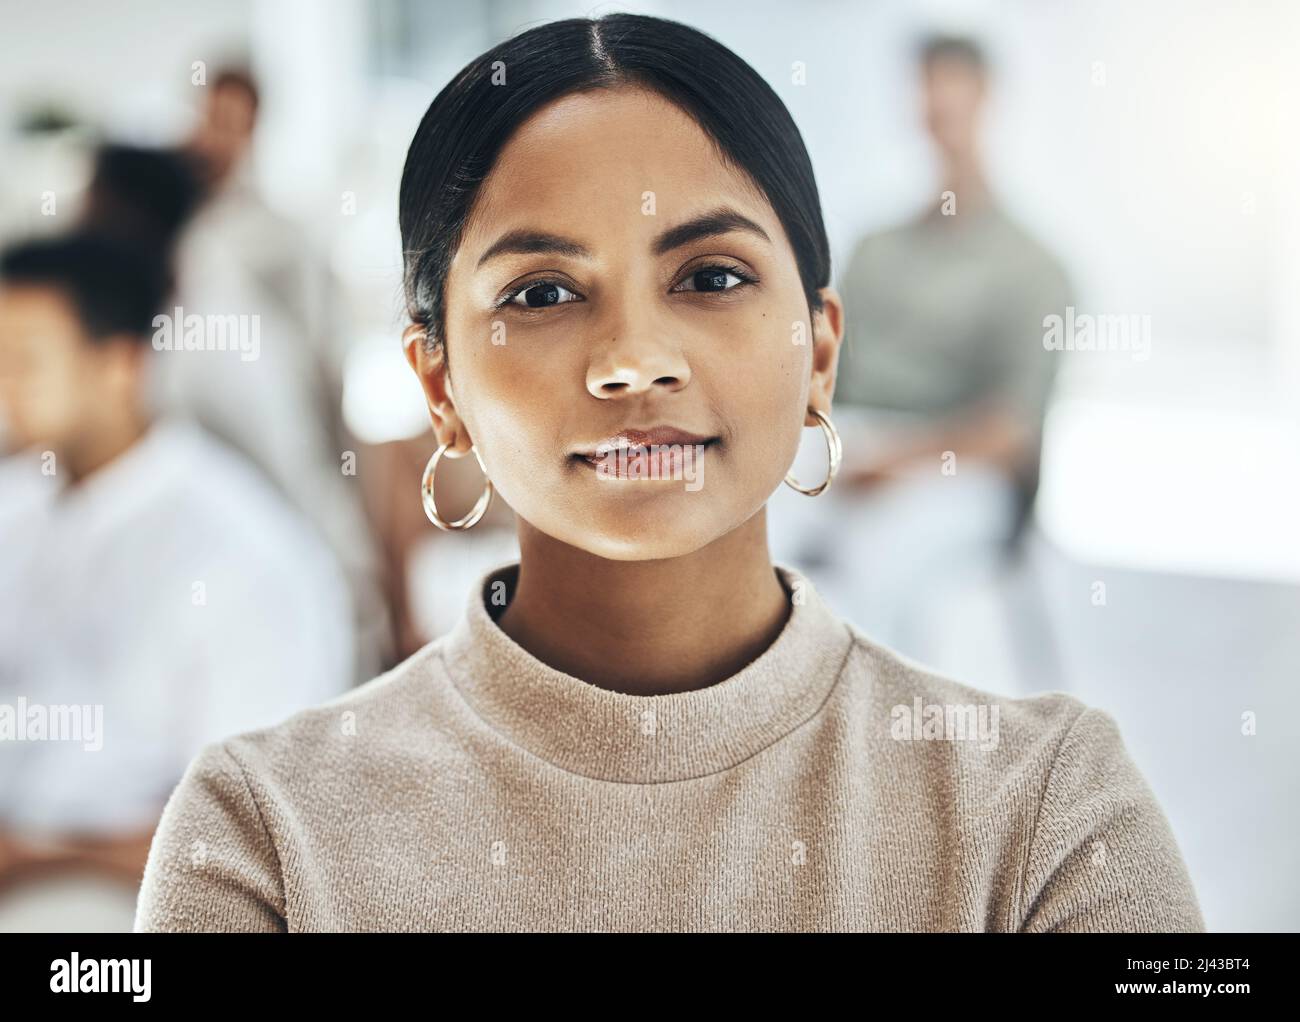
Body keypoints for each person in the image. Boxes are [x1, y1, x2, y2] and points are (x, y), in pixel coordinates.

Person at [134, 14, 1202, 933]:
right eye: (542, 293)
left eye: (712, 275)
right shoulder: (261, 836)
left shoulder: (1049, 814)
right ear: (441, 386)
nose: (634, 359)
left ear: (818, 349)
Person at [0, 232, 354, 927]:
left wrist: (37, 858)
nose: (2, 387)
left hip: (121, 897)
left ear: (120, 365)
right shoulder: (18, 502)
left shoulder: (241, 552)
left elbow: (250, 839)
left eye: (24, 362)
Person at [770, 33, 1073, 668]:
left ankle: (864, 743)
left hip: (960, 470)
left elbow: (1010, 429)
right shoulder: (878, 248)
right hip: (857, 442)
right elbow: (822, 381)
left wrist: (895, 464)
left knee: (879, 561)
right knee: (751, 517)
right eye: (927, 87)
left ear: (986, 98)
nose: (938, 103)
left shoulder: (1035, 267)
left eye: (952, 85)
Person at [151, 66, 391, 681]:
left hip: (285, 441)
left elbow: (322, 365)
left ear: (255, 127)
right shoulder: (163, 217)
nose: (214, 135)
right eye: (207, 114)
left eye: (232, 121)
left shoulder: (281, 237)